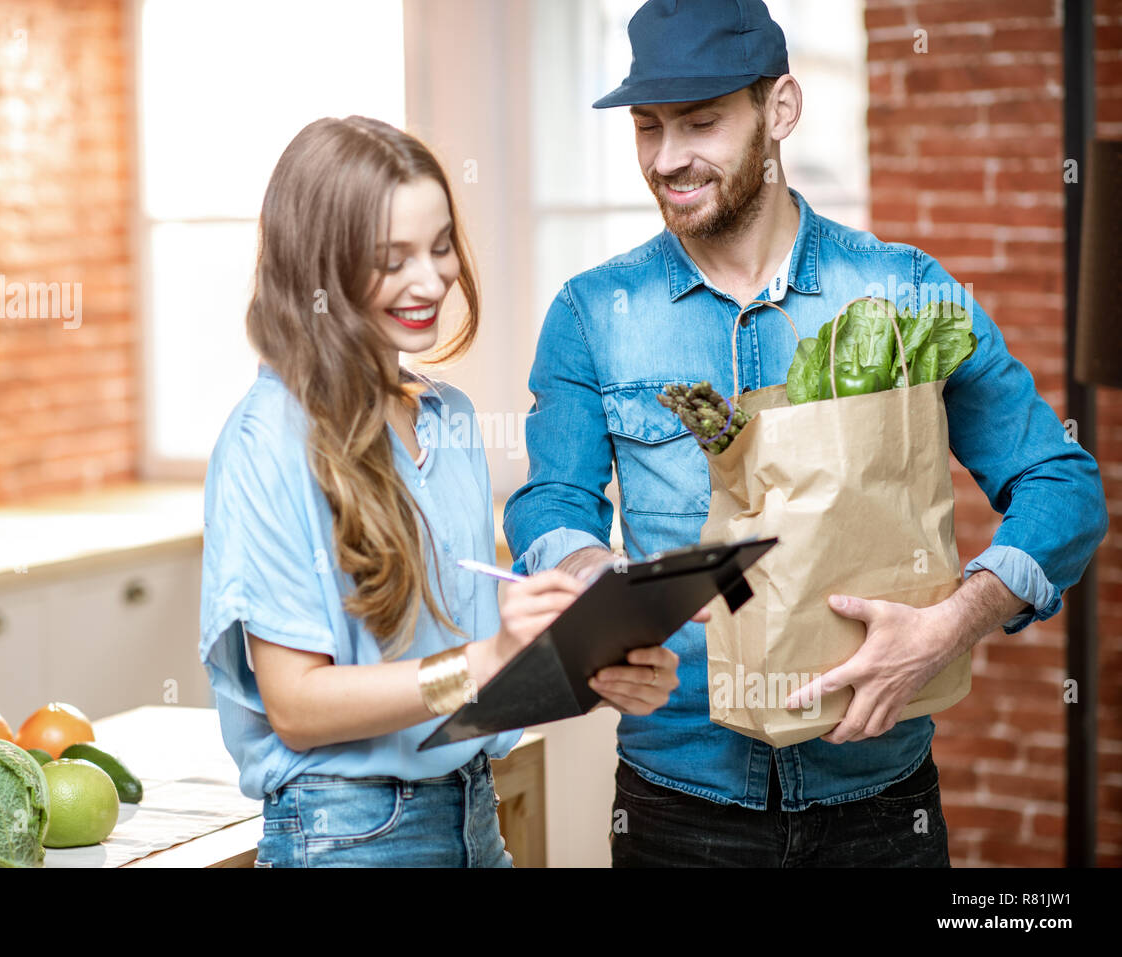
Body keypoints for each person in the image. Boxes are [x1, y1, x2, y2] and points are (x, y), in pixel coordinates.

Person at [503, 0, 1108, 867]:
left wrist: (954, 622)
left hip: (880, 803)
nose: (669, 158)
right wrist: (595, 587)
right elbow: (551, 502)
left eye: (702, 122)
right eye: (648, 127)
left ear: (780, 110)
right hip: (678, 806)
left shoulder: (903, 291)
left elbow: (1063, 485)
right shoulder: (591, 313)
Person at [198, 115, 695, 867]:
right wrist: (486, 658)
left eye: (439, 248)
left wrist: (589, 667)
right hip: (345, 834)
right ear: (320, 269)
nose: (431, 280)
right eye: (390, 259)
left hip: (472, 812)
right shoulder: (267, 439)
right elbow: (296, 706)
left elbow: (469, 661)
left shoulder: (448, 419)